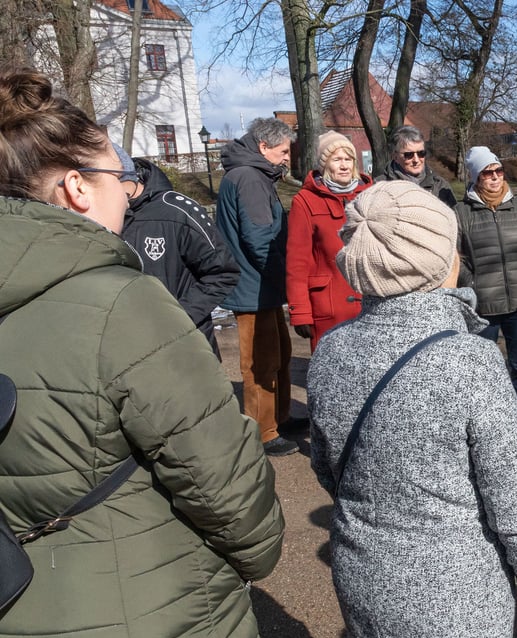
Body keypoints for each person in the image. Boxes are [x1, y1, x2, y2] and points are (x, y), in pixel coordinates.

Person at [0, 66, 284, 638]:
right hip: (149, 625)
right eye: (119, 177)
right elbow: (231, 491)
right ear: (78, 188)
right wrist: (260, 549)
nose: (129, 192)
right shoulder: (123, 305)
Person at [307, 180, 517, 638]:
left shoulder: (331, 351)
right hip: (455, 586)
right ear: (440, 260)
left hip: (362, 571)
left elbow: (328, 468)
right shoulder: (469, 359)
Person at [215, 117, 303, 457]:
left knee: (278, 353)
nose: (285, 158)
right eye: (282, 152)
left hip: (261, 284)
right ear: (263, 147)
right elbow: (259, 238)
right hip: (254, 286)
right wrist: (287, 276)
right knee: (260, 363)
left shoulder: (251, 175)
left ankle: (279, 418)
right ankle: (263, 431)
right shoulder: (249, 179)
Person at [455, 146, 517, 442]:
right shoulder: (462, 212)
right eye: (487, 172)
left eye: (498, 171)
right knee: (483, 368)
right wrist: (473, 287)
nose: (494, 177)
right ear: (476, 176)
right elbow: (457, 257)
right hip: (485, 304)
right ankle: (487, 425)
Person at [120, 151, 239, 357]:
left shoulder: (175, 210)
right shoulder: (95, 218)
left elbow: (223, 272)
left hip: (185, 348)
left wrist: (176, 318)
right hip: (130, 351)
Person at [286, 130, 373, 350]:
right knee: (331, 377)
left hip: (372, 302)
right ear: (325, 164)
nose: (344, 165)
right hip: (330, 306)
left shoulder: (370, 194)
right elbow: (297, 262)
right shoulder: (305, 201)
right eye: (336, 159)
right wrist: (300, 312)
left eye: (348, 159)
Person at [379, 125, 455, 207]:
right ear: (395, 156)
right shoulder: (380, 188)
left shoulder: (440, 186)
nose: (416, 160)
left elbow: (453, 217)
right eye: (409, 155)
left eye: (421, 153)